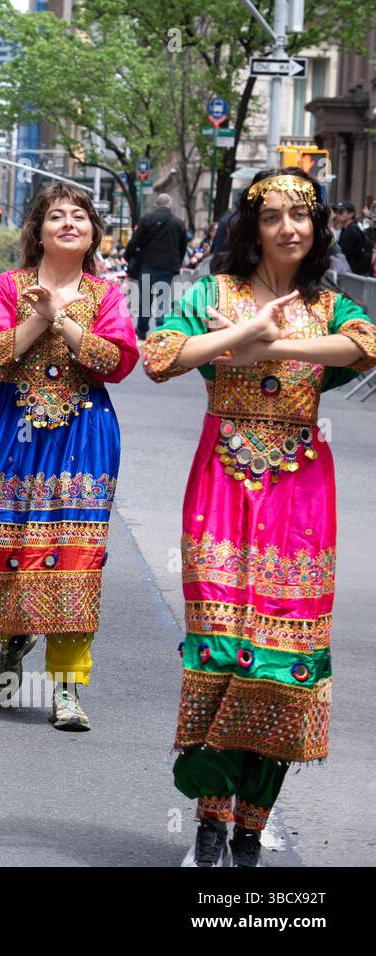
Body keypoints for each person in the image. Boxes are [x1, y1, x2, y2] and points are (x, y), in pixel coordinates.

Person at [141, 167, 376, 867]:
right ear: (253, 226)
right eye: (272, 216)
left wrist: (270, 346)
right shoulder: (216, 294)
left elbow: (368, 344)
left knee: (282, 662)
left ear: (318, 228)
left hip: (300, 497)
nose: (288, 228)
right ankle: (210, 825)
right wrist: (236, 332)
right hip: (220, 486)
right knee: (217, 650)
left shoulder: (329, 304)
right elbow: (159, 357)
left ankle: (250, 827)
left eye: (301, 216)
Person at [0, 182, 139, 731]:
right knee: (12, 544)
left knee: (74, 555)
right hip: (14, 431)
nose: (69, 224)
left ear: (94, 232)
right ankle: (11, 647)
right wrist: (41, 316)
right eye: (57, 216)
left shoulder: (108, 295)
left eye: (80, 216)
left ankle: (68, 690)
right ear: (39, 231)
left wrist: (67, 319)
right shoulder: (8, 287)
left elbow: (116, 362)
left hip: (83, 436)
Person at [125, 193, 186, 339]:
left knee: (145, 298)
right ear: (169, 205)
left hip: (147, 265)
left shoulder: (147, 220)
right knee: (162, 298)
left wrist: (128, 256)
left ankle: (142, 330)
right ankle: (160, 329)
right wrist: (177, 263)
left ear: (156, 205)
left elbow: (135, 241)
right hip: (167, 267)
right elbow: (182, 247)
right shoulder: (178, 223)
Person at [334, 201, 373, 276]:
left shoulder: (352, 231)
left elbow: (342, 253)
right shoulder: (347, 229)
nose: (338, 215)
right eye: (337, 212)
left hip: (354, 274)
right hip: (351, 273)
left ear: (351, 214)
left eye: (341, 212)